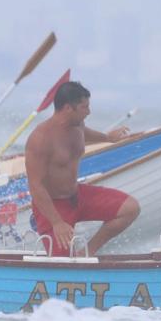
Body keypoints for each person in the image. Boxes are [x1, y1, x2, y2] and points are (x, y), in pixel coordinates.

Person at [24, 81, 139, 256]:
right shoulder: (41, 139)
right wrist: (57, 222)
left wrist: (108, 138)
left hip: (78, 196)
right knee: (63, 265)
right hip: (53, 207)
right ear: (68, 108)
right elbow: (35, 186)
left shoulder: (77, 125)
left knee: (130, 208)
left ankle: (87, 252)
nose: (89, 112)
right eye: (84, 107)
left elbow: (85, 134)